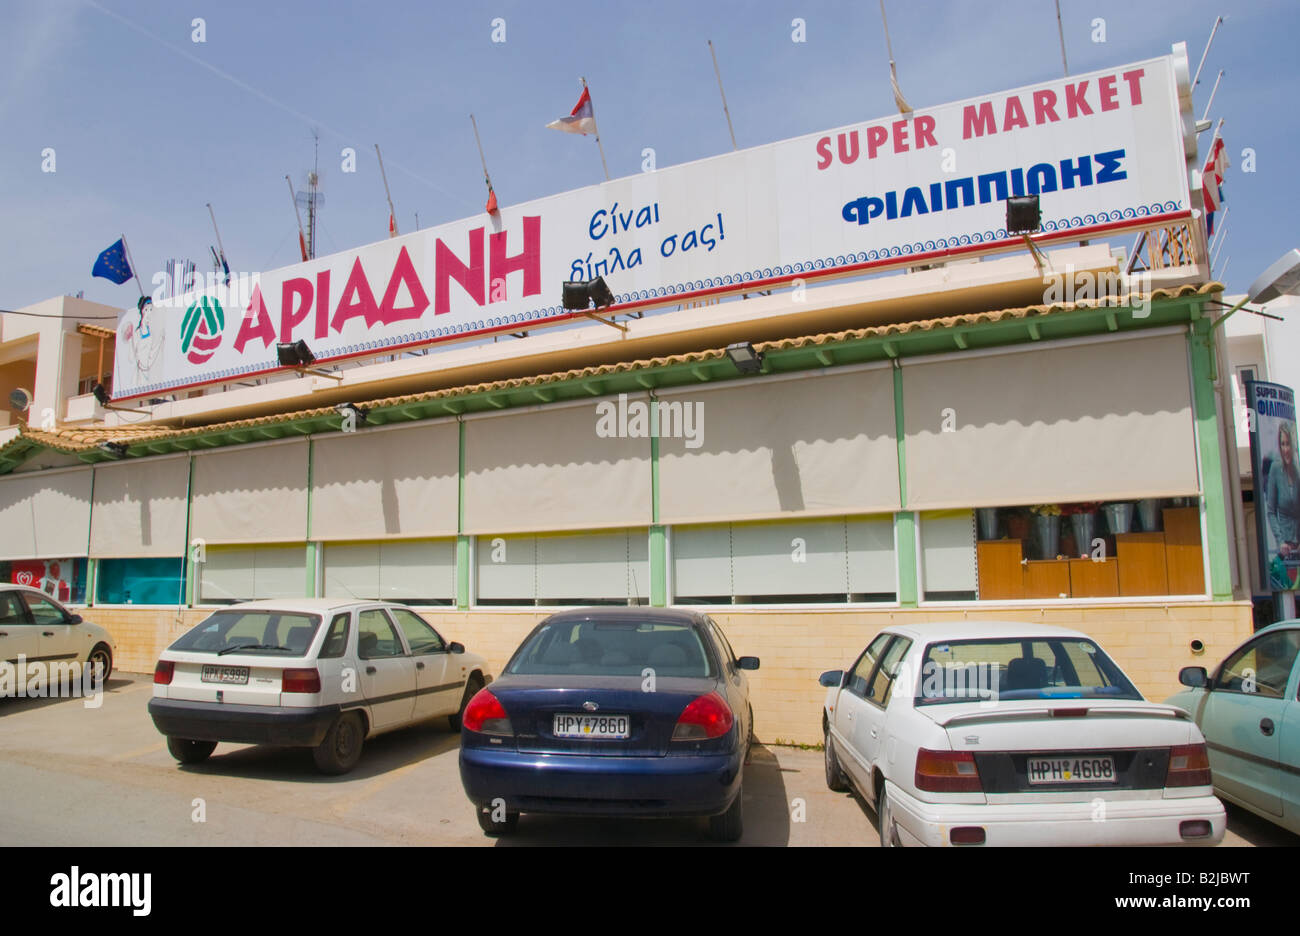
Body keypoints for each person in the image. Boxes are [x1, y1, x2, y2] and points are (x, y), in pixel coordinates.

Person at [1266, 423, 1300, 560]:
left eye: (1288, 444)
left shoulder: (1298, 471)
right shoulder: (1275, 469)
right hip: (1286, 547)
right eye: (1283, 444)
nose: (1286, 449)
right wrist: (1280, 541)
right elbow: (1271, 511)